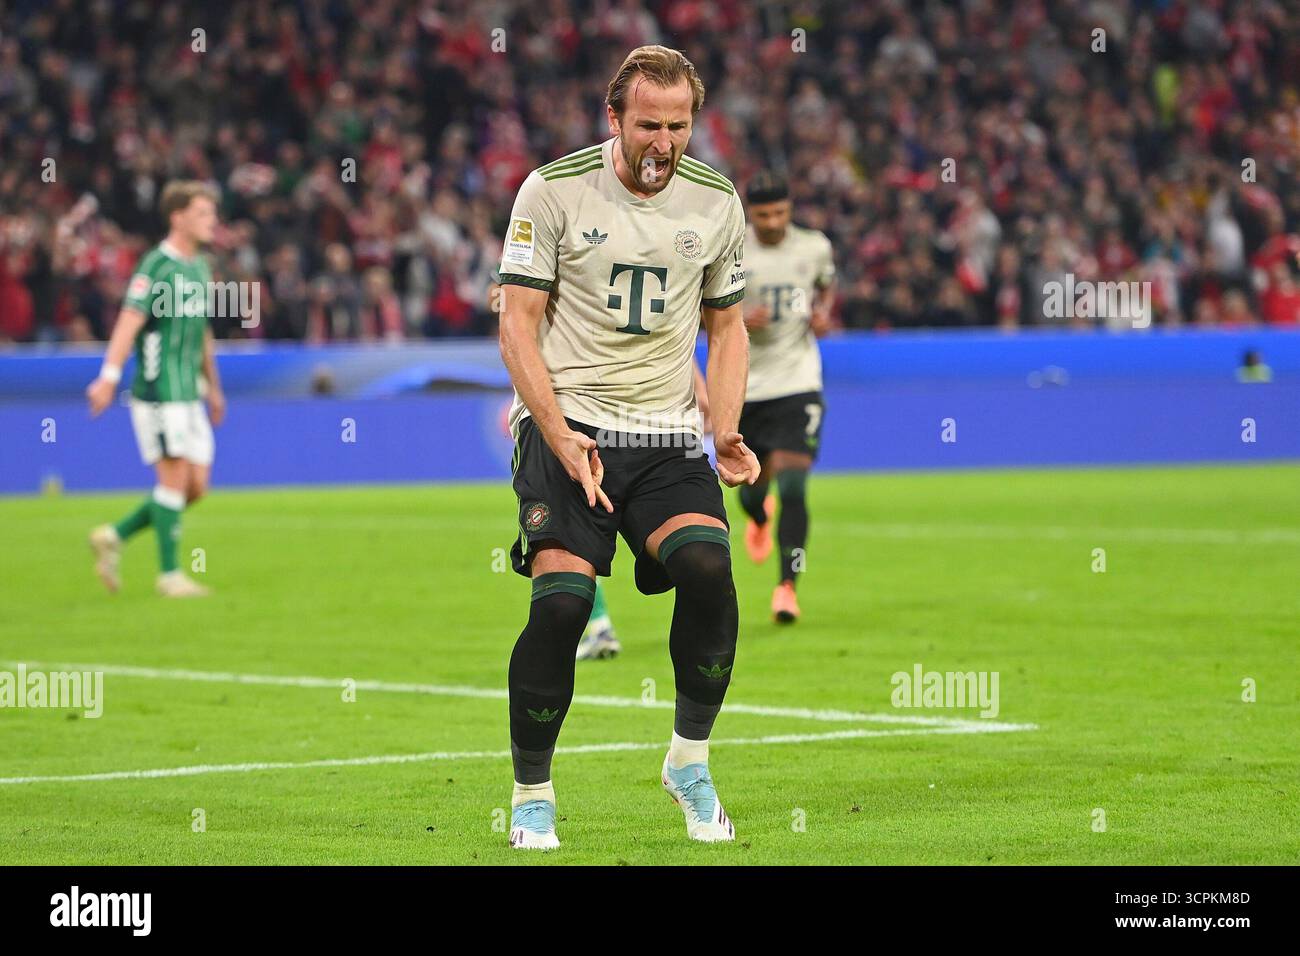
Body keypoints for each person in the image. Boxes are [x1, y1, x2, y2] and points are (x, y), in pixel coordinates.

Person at [496, 45, 757, 849]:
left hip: (666, 432)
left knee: (708, 568)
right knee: (565, 605)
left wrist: (724, 425)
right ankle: (532, 793)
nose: (664, 143)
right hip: (569, 421)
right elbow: (516, 322)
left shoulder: (716, 200)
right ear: (615, 119)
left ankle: (688, 760)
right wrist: (555, 432)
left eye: (679, 126)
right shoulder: (553, 189)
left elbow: (728, 324)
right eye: (649, 125)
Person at [86, 181, 225, 598]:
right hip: (158, 391)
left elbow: (201, 334)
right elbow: (128, 322)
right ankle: (170, 576)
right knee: (173, 476)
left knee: (195, 486)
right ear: (177, 217)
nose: (212, 221)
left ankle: (114, 535)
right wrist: (108, 377)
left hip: (191, 392)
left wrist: (214, 388)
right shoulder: (155, 266)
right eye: (203, 213)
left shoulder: (200, 268)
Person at [734, 172, 836, 623]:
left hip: (798, 381)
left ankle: (787, 586)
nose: (772, 222)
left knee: (794, 486)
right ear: (749, 213)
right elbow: (696, 307)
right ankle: (757, 517)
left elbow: (826, 288)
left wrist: (822, 315)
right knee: (751, 493)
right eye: (763, 215)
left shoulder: (814, 247)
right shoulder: (731, 247)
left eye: (779, 213)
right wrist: (734, 319)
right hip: (744, 385)